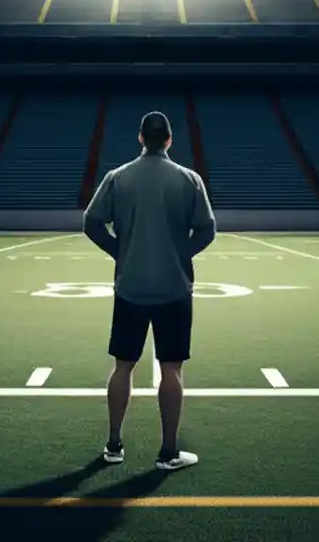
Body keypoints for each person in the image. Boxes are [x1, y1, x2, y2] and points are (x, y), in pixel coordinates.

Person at [82, 110, 216, 471]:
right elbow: (207, 230)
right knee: (171, 369)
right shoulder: (189, 180)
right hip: (174, 288)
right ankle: (168, 452)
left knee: (122, 366)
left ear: (141, 138)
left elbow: (91, 222)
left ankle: (113, 445)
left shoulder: (118, 177)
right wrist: (178, 253)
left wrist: (118, 250)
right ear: (169, 140)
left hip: (131, 286)